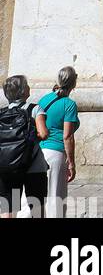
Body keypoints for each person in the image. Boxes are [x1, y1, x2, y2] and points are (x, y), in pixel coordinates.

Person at [0, 75, 49, 218]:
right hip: (34, 166)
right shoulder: (35, 109)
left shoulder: (2, 113)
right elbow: (43, 133)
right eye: (26, 85)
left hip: (7, 166)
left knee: (7, 208)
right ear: (22, 91)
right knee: (37, 207)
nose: (29, 87)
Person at [37, 66, 79, 219]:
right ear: (74, 82)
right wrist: (71, 163)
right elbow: (67, 136)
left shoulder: (44, 99)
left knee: (36, 197)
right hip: (55, 153)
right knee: (56, 197)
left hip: (39, 152)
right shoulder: (69, 104)